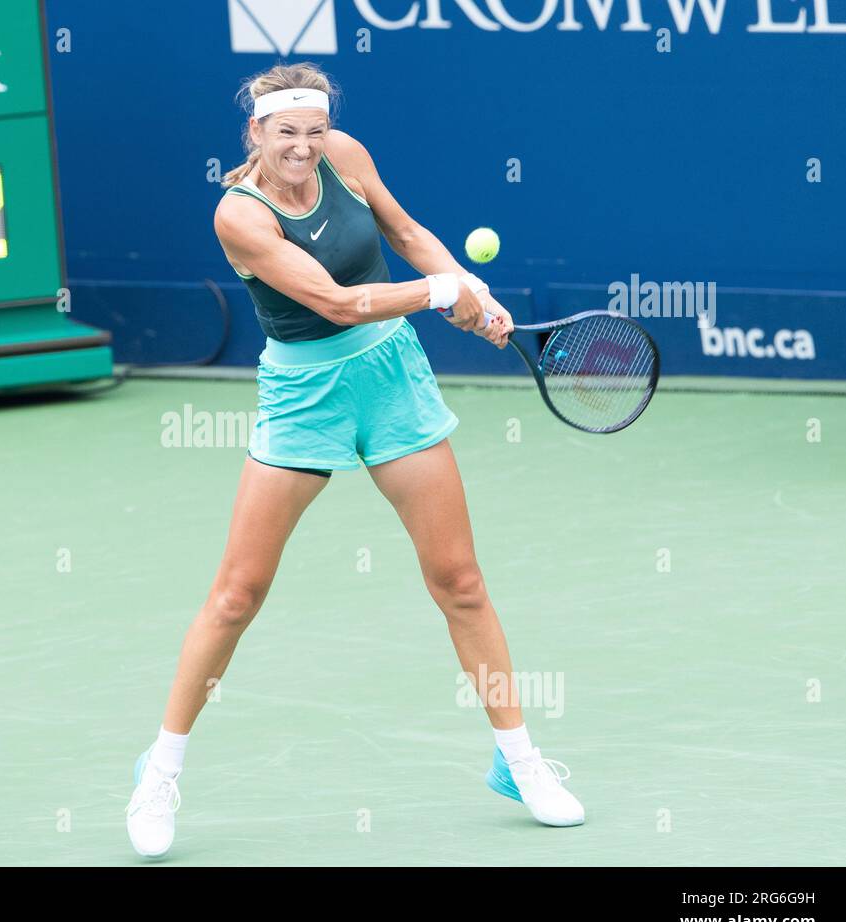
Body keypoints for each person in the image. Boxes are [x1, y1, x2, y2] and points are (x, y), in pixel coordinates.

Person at [126, 62, 584, 859]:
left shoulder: (345, 154)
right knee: (238, 594)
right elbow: (337, 302)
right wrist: (443, 294)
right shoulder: (238, 216)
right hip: (305, 395)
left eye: (312, 131)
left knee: (461, 582)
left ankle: (520, 761)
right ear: (256, 134)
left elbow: (404, 235)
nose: (303, 148)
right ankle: (160, 769)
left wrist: (466, 290)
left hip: (392, 380)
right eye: (285, 134)